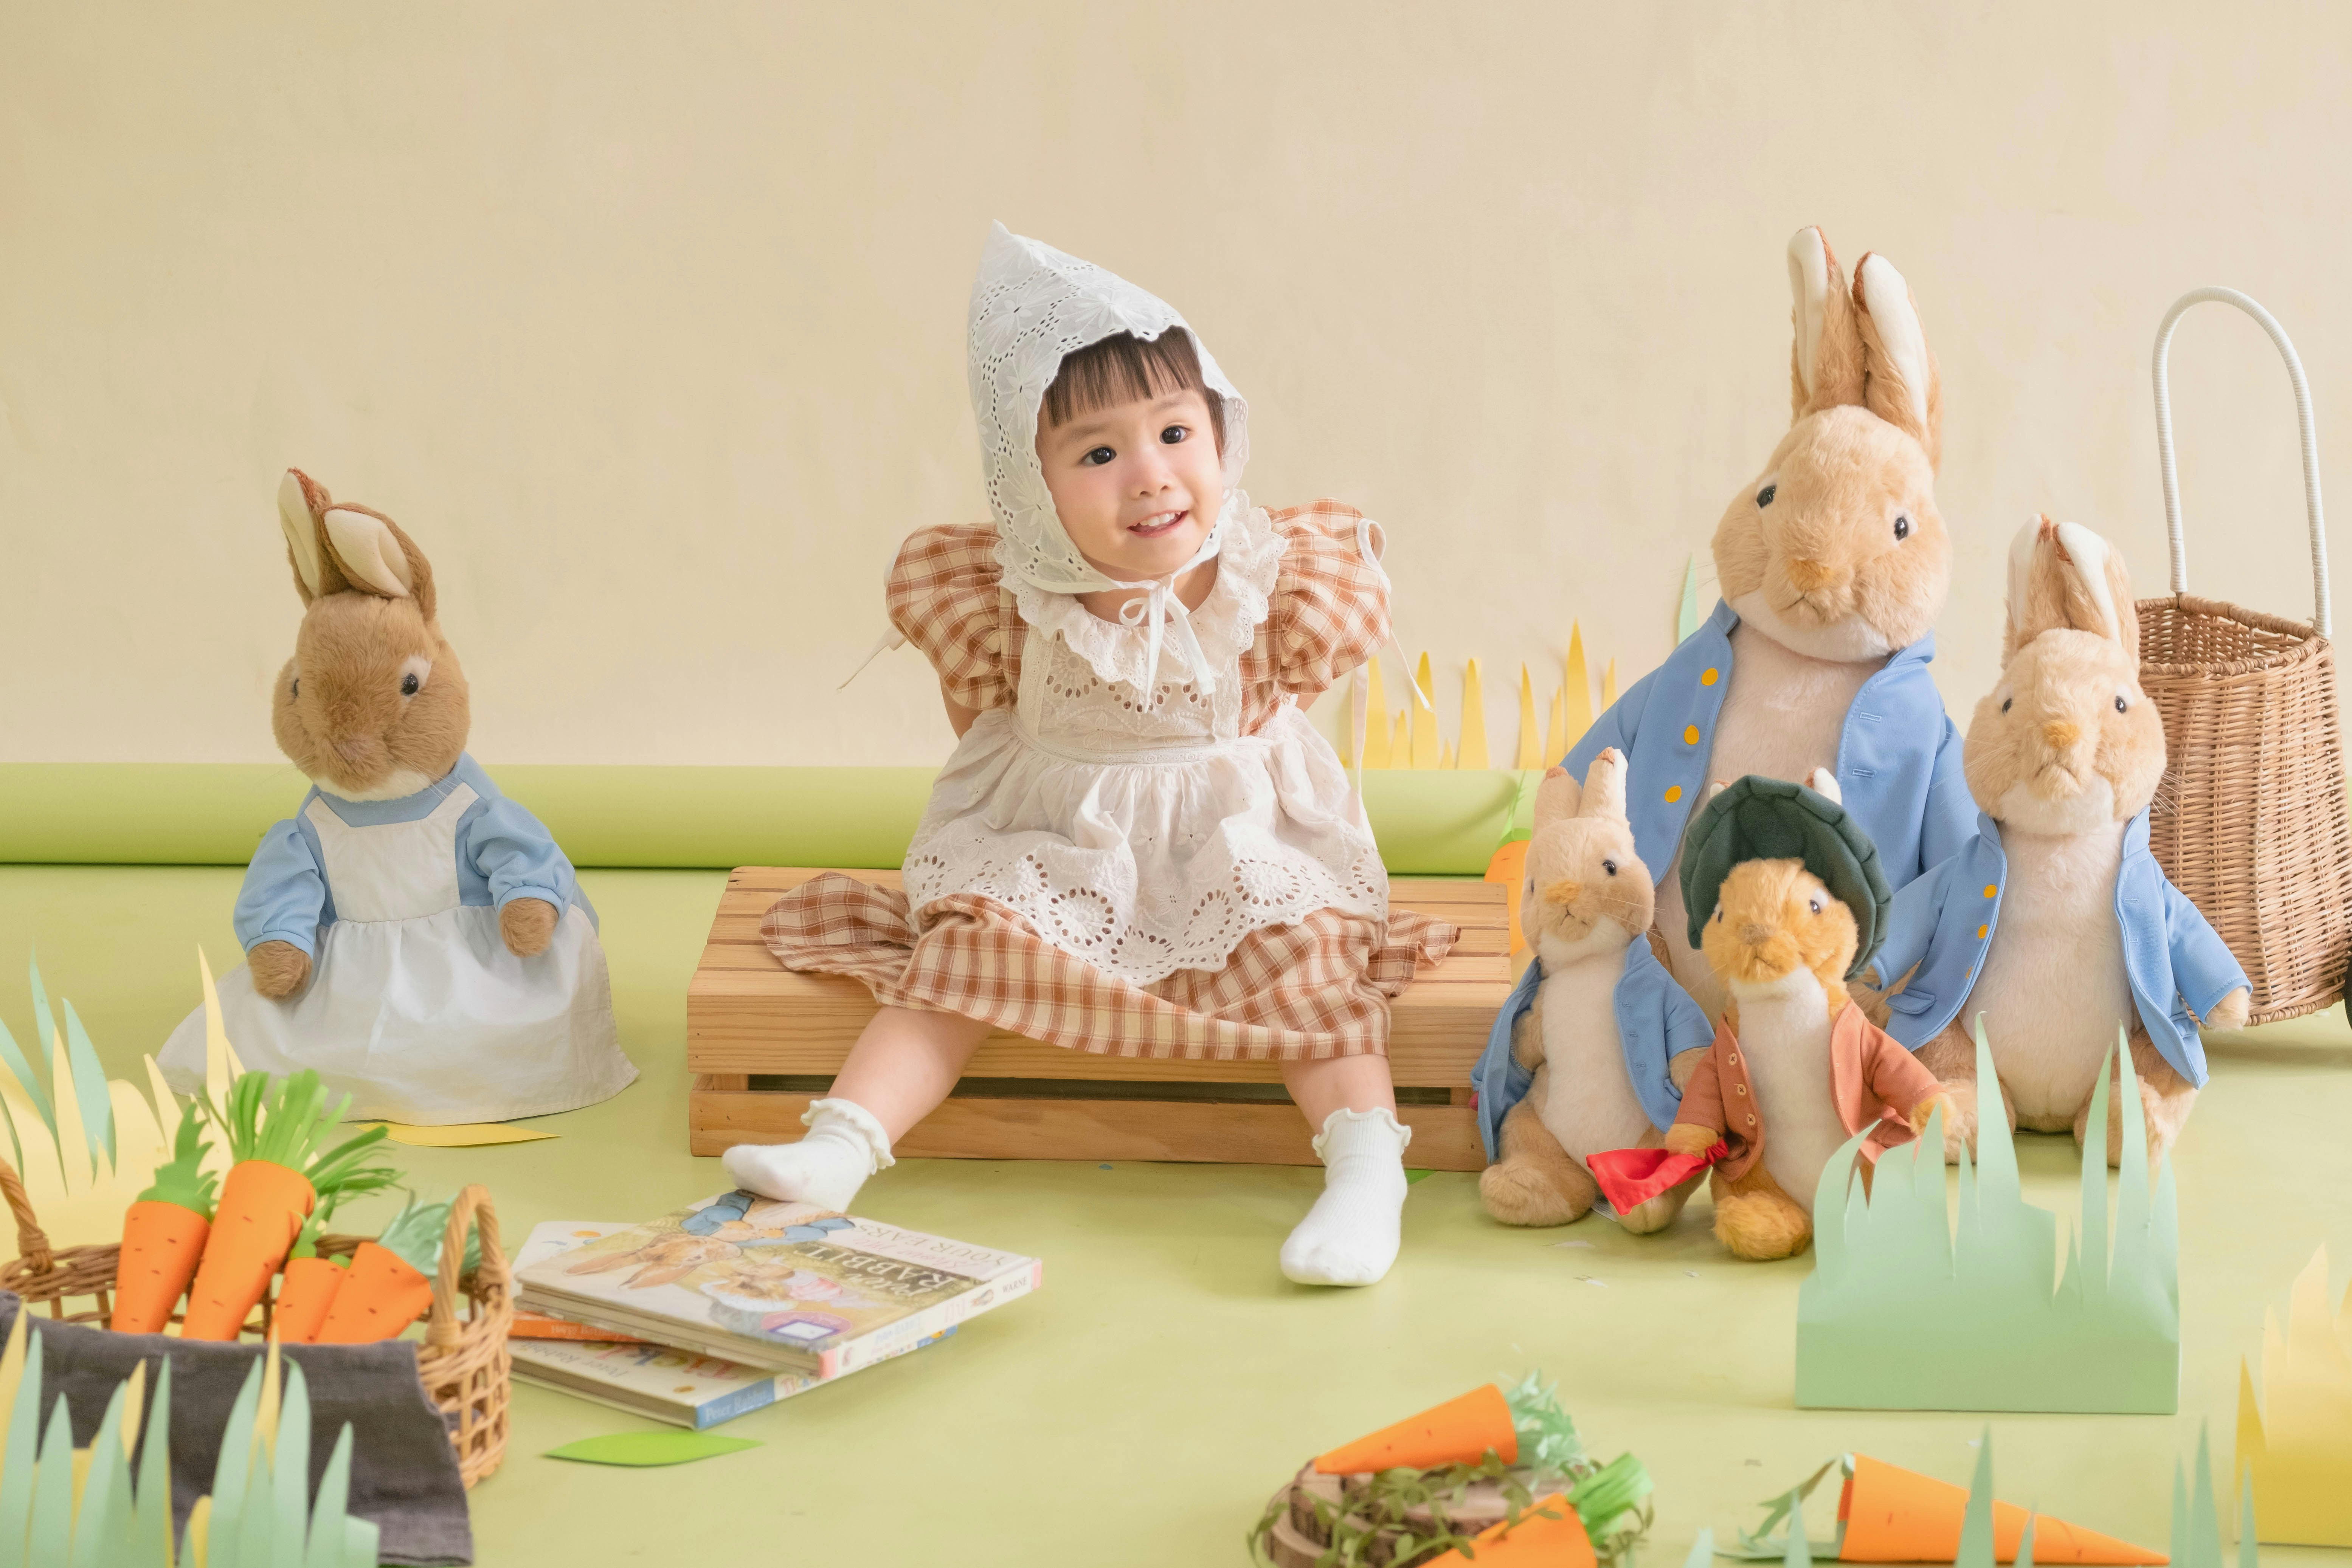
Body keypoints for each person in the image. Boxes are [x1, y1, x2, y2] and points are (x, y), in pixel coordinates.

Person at [725, 224, 1454, 1286]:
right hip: (1062, 834)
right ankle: (838, 1148)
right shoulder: (1005, 591)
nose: (1150, 477)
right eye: (1098, 453)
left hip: (1235, 828)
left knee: (1307, 963)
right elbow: (978, 713)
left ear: (1220, 433)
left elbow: (1294, 688)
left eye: (1173, 432)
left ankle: (1363, 1168)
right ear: (1030, 485)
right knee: (964, 954)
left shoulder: (1269, 572)